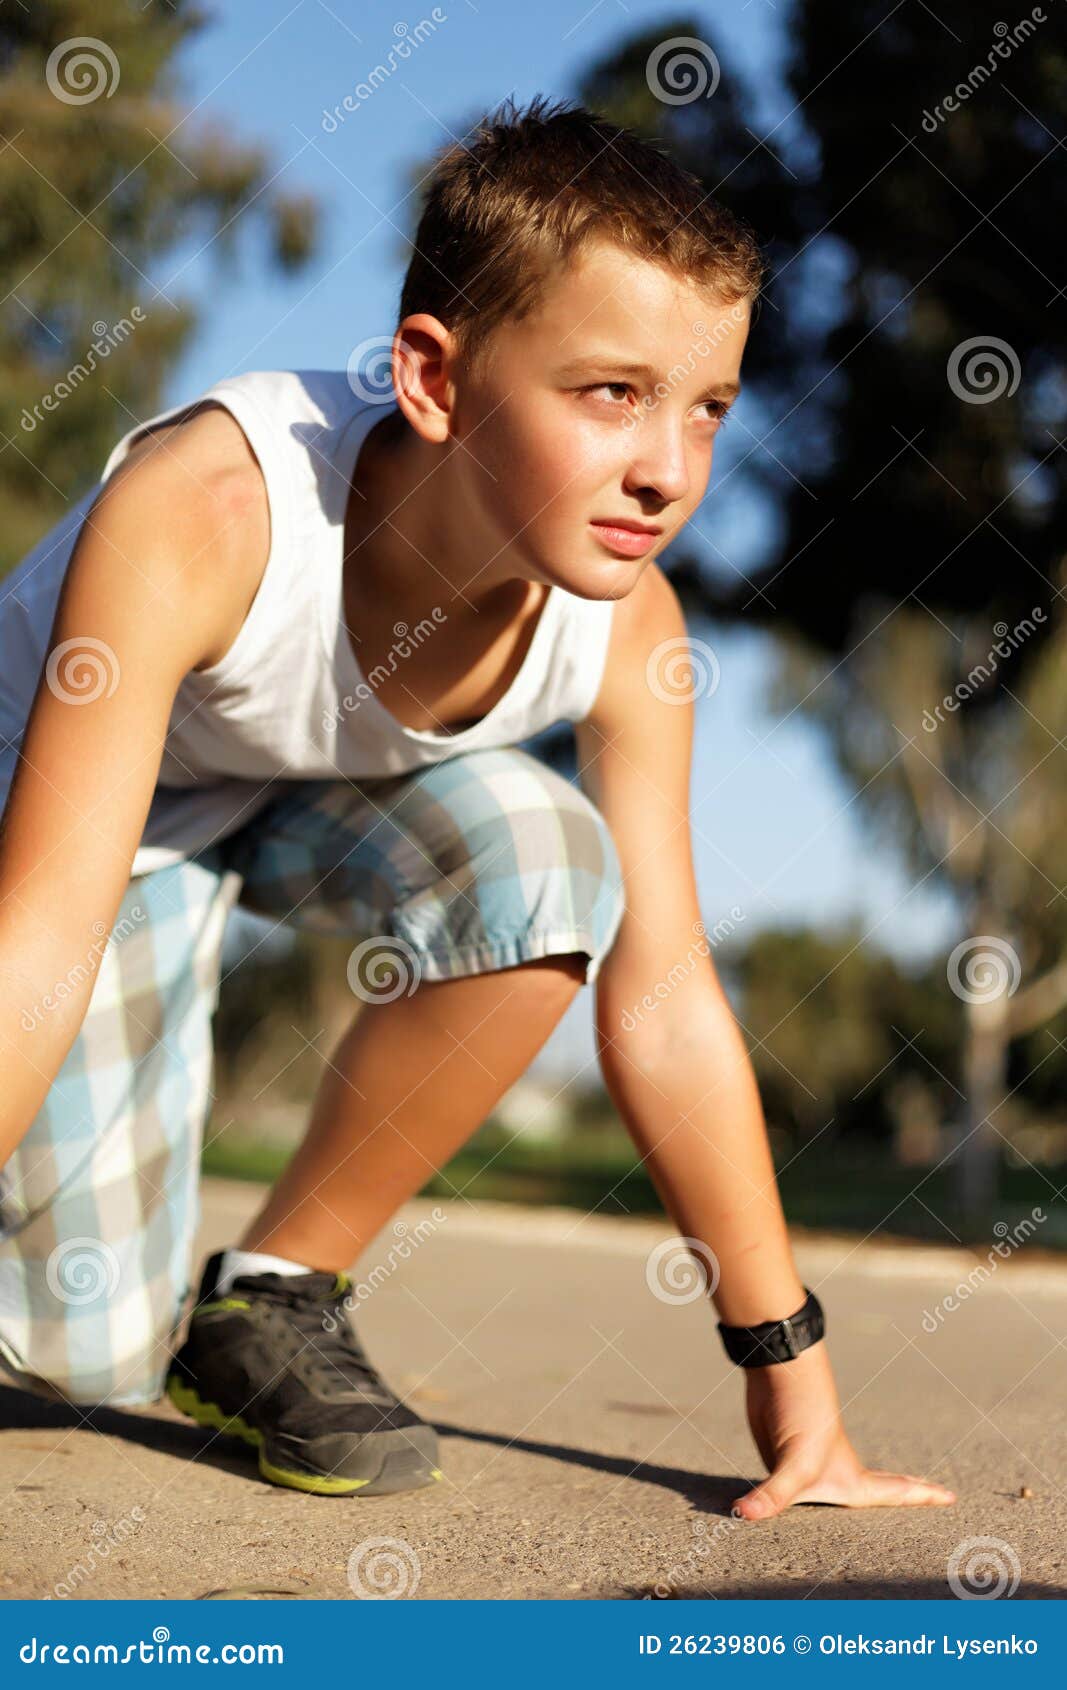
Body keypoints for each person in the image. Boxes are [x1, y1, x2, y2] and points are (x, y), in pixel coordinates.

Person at [0, 94, 955, 1514]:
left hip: (279, 800)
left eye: (707, 407)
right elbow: (41, 941)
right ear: (435, 378)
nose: (670, 470)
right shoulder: (212, 511)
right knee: (83, 1339)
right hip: (65, 834)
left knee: (553, 855)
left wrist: (792, 1380)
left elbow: (664, 995)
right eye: (612, 392)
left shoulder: (628, 633)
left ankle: (273, 1297)